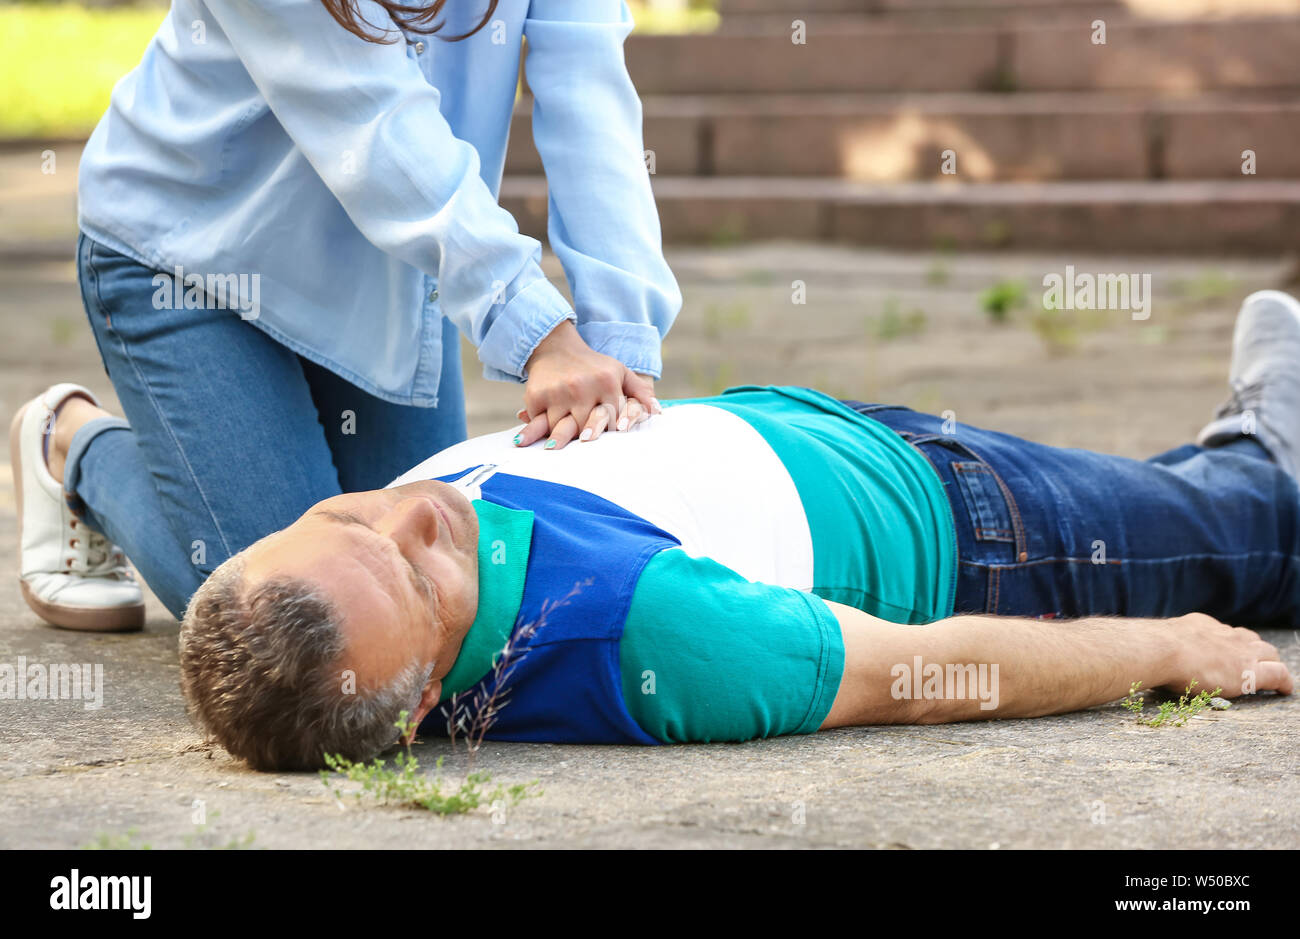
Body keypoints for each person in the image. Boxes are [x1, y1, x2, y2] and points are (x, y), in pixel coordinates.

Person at [22, 292, 1300, 769]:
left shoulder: (362, 607)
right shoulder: (661, 637)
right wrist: (1169, 652)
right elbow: (915, 680)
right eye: (415, 563)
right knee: (1253, 528)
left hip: (816, 436)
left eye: (341, 512)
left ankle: (68, 447)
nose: (415, 505)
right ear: (417, 714)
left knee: (1180, 503)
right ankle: (1264, 434)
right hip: (969, 520)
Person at [22, 0, 678, 631]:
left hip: (381, 282)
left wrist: (618, 347)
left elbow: (588, 93)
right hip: (192, 256)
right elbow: (373, 122)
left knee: (447, 597)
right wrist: (540, 334)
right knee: (294, 610)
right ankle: (71, 444)